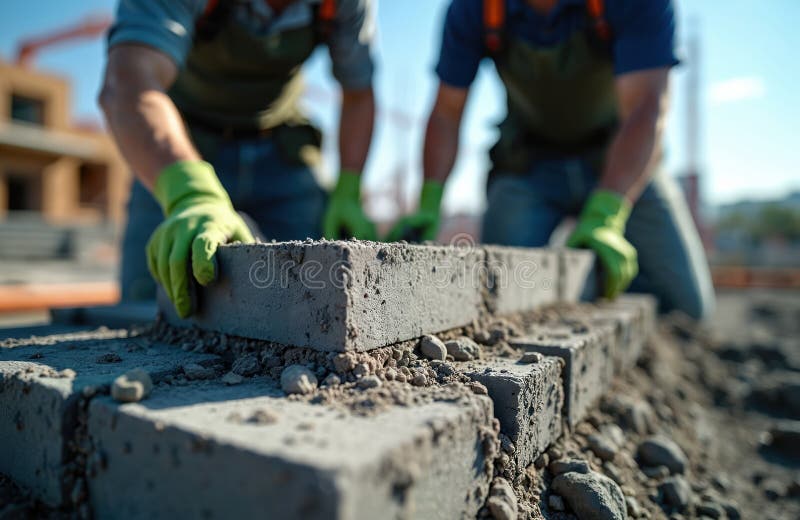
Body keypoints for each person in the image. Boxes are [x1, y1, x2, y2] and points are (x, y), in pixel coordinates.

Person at [389, 0, 714, 319]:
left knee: (687, 307)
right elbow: (446, 113)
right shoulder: (475, 9)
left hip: (620, 162)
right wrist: (429, 203)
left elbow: (645, 109)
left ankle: (606, 292)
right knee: (497, 294)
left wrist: (608, 213)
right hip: (529, 167)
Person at [100, 0, 377, 318]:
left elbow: (358, 93)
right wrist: (189, 193)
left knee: (310, 309)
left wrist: (348, 190)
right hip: (180, 149)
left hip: (282, 153)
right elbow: (129, 82)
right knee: (151, 310)